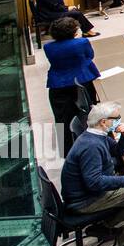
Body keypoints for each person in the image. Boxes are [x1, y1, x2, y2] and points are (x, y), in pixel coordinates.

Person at [60, 101, 124, 217]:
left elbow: (118, 151)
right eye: (117, 118)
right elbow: (94, 182)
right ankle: (112, 224)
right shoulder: (92, 146)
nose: (119, 121)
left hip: (89, 192)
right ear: (103, 122)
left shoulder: (96, 134)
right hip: (85, 201)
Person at [44, 16, 100, 156]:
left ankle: (68, 153)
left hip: (58, 86)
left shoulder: (48, 47)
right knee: (90, 116)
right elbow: (90, 55)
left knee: (62, 121)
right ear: (73, 32)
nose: (80, 30)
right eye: (78, 29)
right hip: (81, 82)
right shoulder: (81, 43)